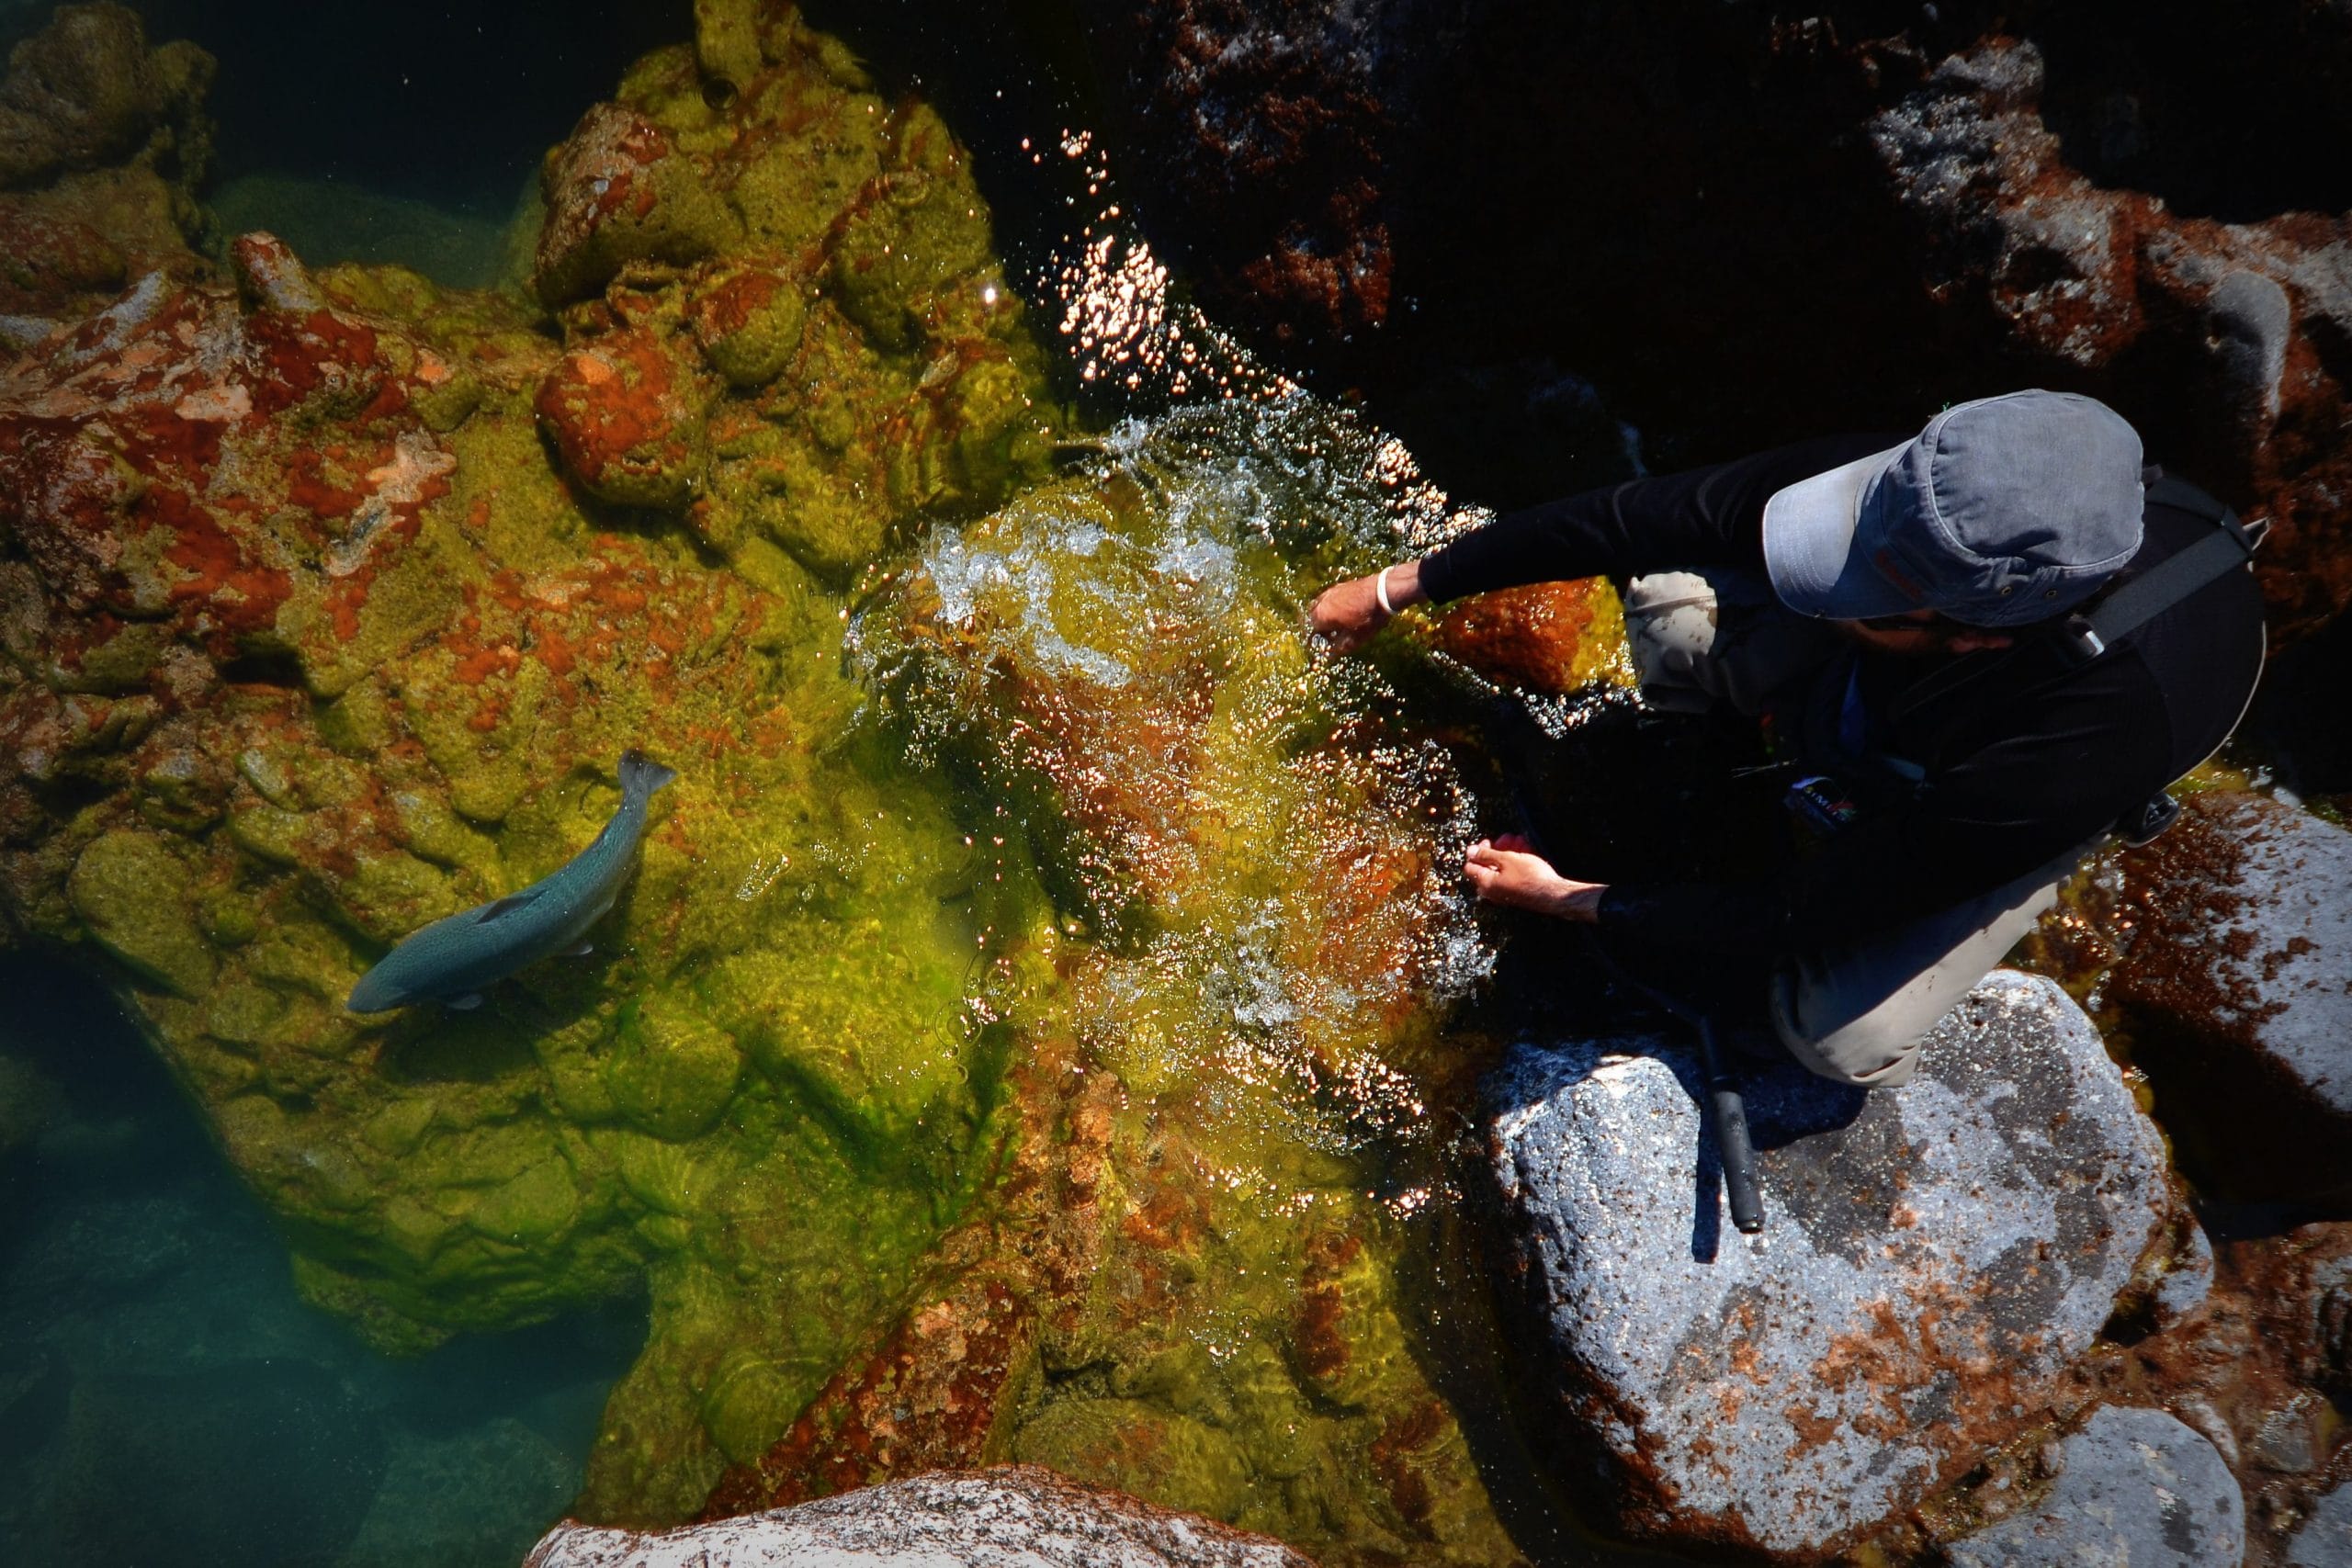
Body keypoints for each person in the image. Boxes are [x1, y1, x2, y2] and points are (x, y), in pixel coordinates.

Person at [1309, 389, 2266, 1088]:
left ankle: (1908, 809)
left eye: (1857, 597)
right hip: (1947, 679)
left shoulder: (2079, 742)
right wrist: (1402, 586)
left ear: (1971, 631)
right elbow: (1640, 517)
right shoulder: (1949, 486)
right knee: (1671, 597)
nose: (1828, 581)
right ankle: (1786, 736)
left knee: (1836, 1037)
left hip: (2018, 778)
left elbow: (1808, 910)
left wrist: (1576, 901)